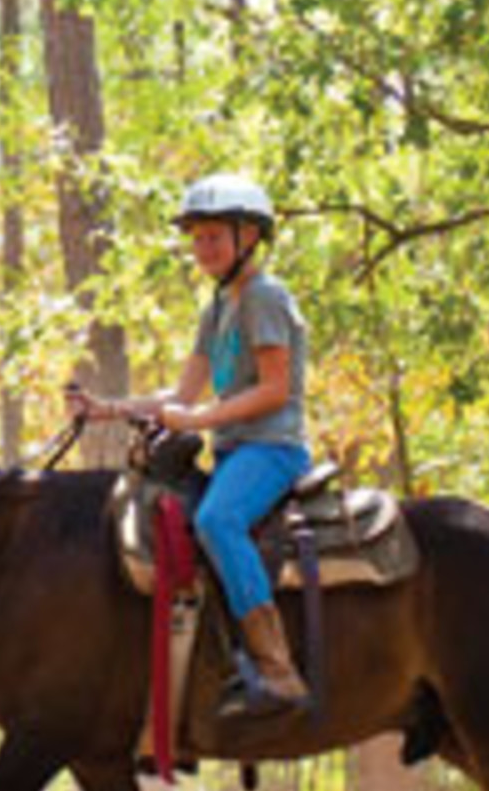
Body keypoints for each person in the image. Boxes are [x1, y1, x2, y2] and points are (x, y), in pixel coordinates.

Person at [68, 171, 312, 719]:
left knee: (217, 522)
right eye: (196, 238)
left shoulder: (264, 298)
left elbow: (276, 390)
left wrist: (199, 417)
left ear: (249, 236)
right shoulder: (219, 307)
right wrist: (106, 409)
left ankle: (278, 672)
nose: (202, 248)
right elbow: (180, 394)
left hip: (272, 449)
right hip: (233, 452)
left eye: (214, 237)